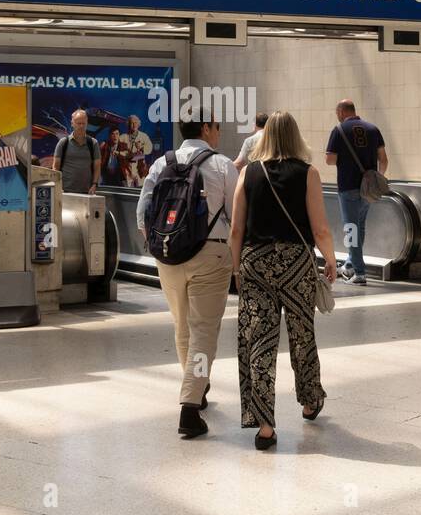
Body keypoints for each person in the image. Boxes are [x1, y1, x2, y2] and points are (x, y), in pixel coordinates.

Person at [230, 111, 336, 451]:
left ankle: (265, 426)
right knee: (302, 333)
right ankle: (309, 401)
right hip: (295, 265)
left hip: (255, 264)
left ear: (264, 138)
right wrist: (331, 259)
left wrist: (236, 271)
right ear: (295, 136)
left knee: (258, 341)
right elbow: (319, 227)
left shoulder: (248, 173)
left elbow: (236, 229)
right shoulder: (309, 174)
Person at [137, 110, 237, 440]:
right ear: (206, 129)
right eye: (217, 127)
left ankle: (194, 387)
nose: (219, 133)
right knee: (204, 330)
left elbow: (143, 214)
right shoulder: (221, 165)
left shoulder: (160, 163)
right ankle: (190, 407)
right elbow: (238, 216)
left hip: (167, 255)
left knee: (182, 325)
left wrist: (162, 242)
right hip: (210, 252)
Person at [324, 99, 387, 285]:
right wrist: (377, 177)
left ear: (341, 112)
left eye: (337, 114)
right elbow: (383, 159)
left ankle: (359, 273)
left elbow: (329, 159)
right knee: (359, 226)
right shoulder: (373, 129)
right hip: (368, 189)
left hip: (348, 186)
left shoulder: (339, 130)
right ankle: (350, 263)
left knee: (350, 229)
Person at [53, 109, 98, 194]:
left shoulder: (93, 143)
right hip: (65, 191)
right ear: (72, 123)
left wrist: (94, 184)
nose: (81, 126)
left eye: (83, 123)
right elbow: (55, 167)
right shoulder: (63, 143)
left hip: (87, 191)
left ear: (87, 124)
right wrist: (57, 186)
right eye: (78, 123)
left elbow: (97, 166)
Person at [124, 114, 153, 187]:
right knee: (128, 191)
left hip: (139, 169)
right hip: (127, 170)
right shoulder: (123, 137)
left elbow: (150, 148)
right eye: (131, 123)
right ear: (128, 124)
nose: (133, 125)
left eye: (135, 123)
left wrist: (142, 148)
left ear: (139, 124)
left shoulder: (144, 136)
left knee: (139, 191)